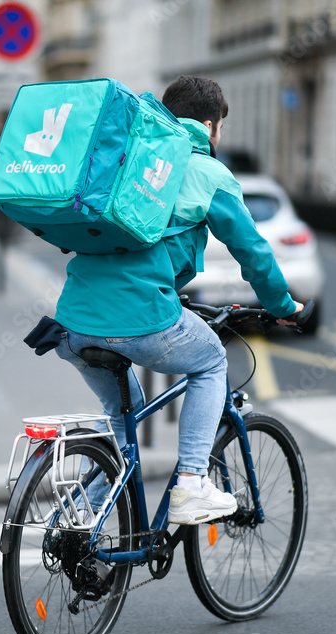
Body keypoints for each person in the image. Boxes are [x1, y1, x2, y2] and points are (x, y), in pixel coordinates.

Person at [52, 75, 303, 525]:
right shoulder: (206, 172)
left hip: (71, 324)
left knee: (121, 422)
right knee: (210, 361)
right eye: (220, 128)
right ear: (210, 126)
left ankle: (78, 519)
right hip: (140, 317)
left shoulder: (126, 157)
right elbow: (253, 252)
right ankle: (191, 482)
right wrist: (283, 305)